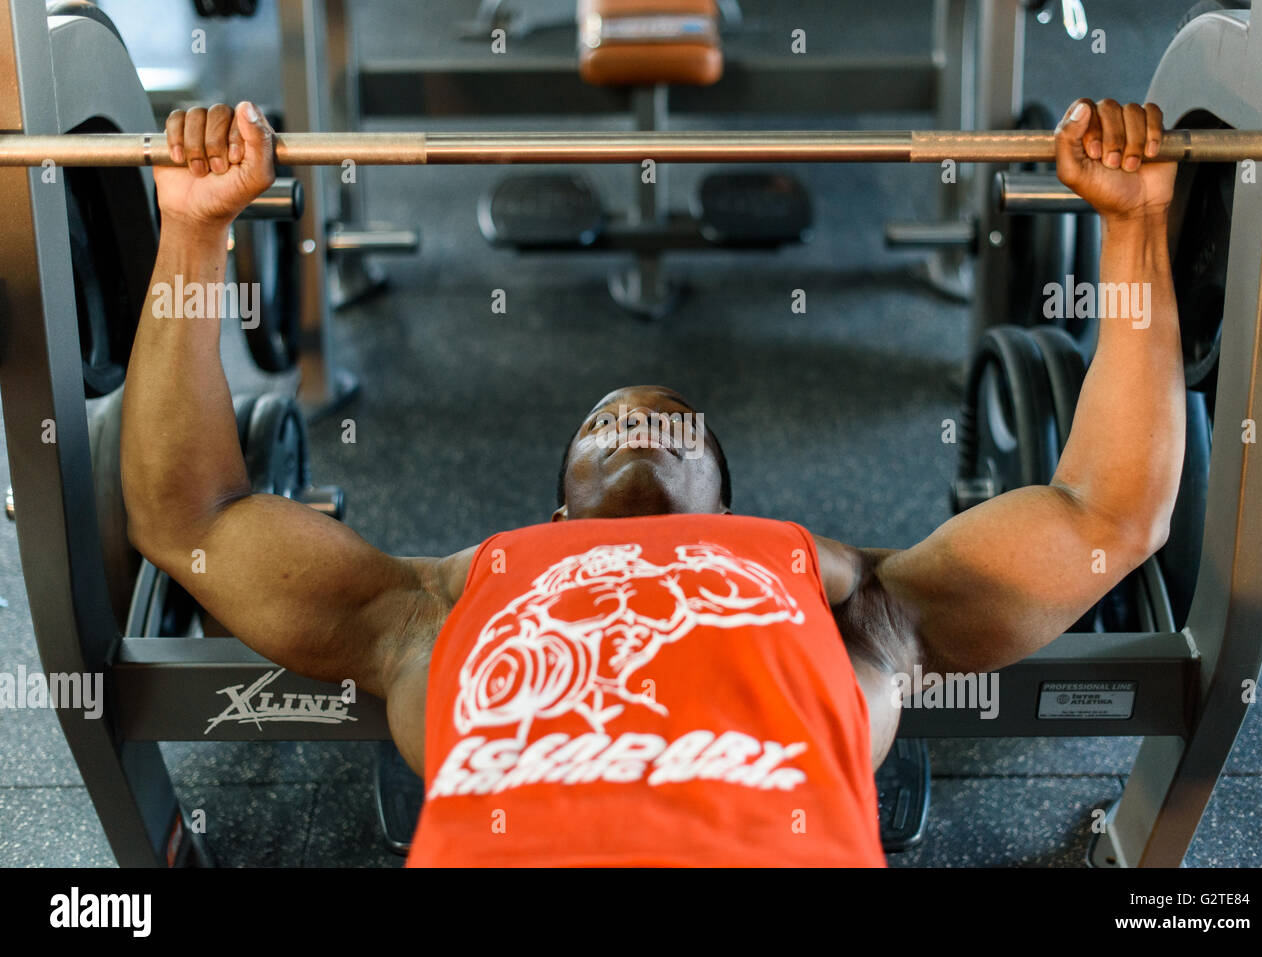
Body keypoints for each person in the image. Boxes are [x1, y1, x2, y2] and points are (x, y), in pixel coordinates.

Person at [121, 98, 1182, 867]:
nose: (641, 414)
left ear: (731, 515)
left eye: (676, 423)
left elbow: (1106, 517)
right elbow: (188, 517)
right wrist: (191, 228)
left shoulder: (848, 599)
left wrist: (1134, 231)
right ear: (552, 519)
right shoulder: (438, 606)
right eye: (606, 423)